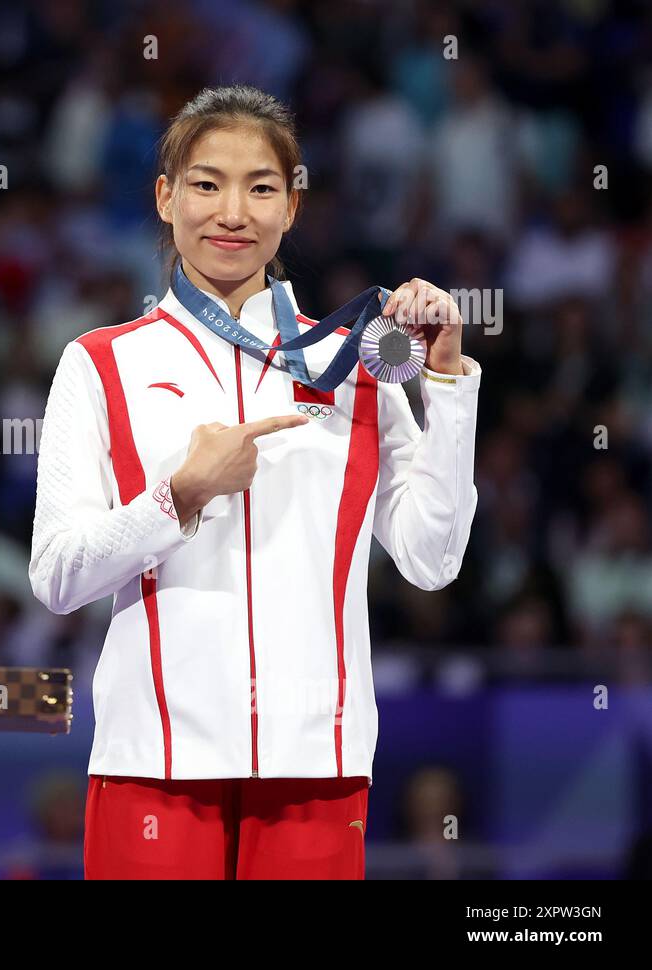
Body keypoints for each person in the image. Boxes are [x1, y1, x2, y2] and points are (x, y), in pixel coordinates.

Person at [29, 86, 481, 879]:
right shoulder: (101, 363)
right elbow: (58, 576)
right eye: (206, 184)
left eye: (261, 186)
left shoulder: (358, 362)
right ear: (166, 197)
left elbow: (431, 559)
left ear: (293, 205)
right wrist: (181, 495)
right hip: (155, 758)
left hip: (317, 760)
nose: (232, 211)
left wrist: (444, 384)